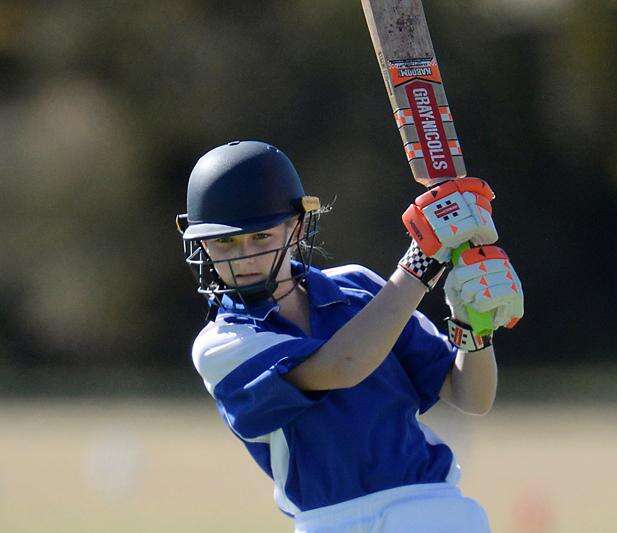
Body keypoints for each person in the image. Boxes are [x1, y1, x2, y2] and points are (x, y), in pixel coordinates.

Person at [176, 140, 523, 532]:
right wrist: (423, 260)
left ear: (297, 226)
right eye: (226, 242)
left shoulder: (361, 289)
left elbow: (471, 396)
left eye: (261, 237)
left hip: (429, 508)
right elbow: (342, 365)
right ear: (201, 243)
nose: (246, 257)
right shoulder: (220, 343)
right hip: (330, 522)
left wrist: (473, 327)